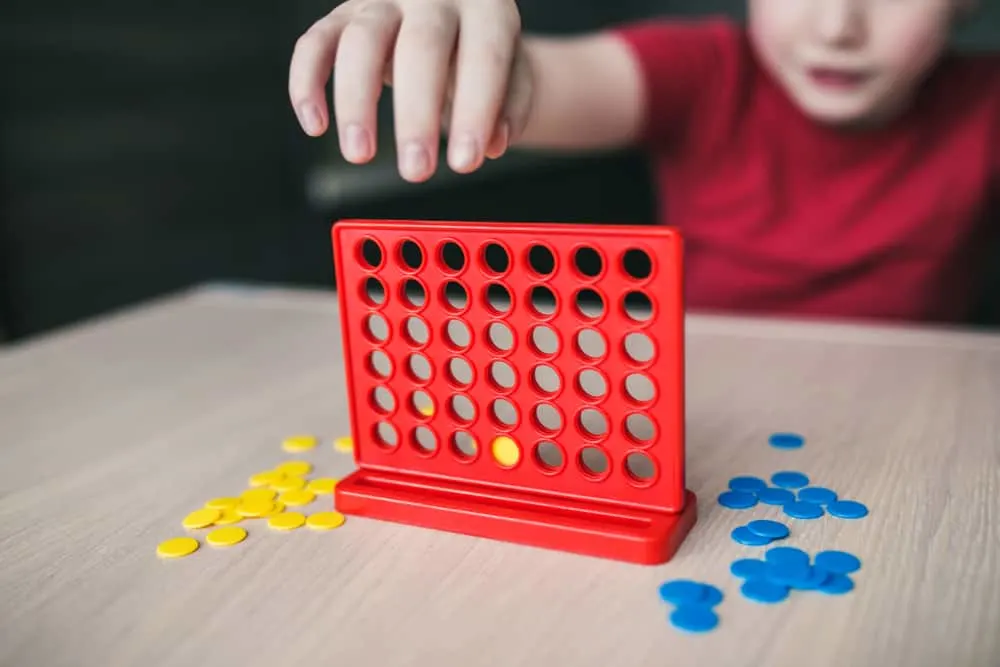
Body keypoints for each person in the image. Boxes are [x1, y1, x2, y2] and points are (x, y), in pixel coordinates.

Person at [287, 0, 1000, 323]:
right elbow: (539, 82)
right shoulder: (705, 72)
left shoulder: (982, 102)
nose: (838, 24)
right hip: (705, 426)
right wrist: (454, 50)